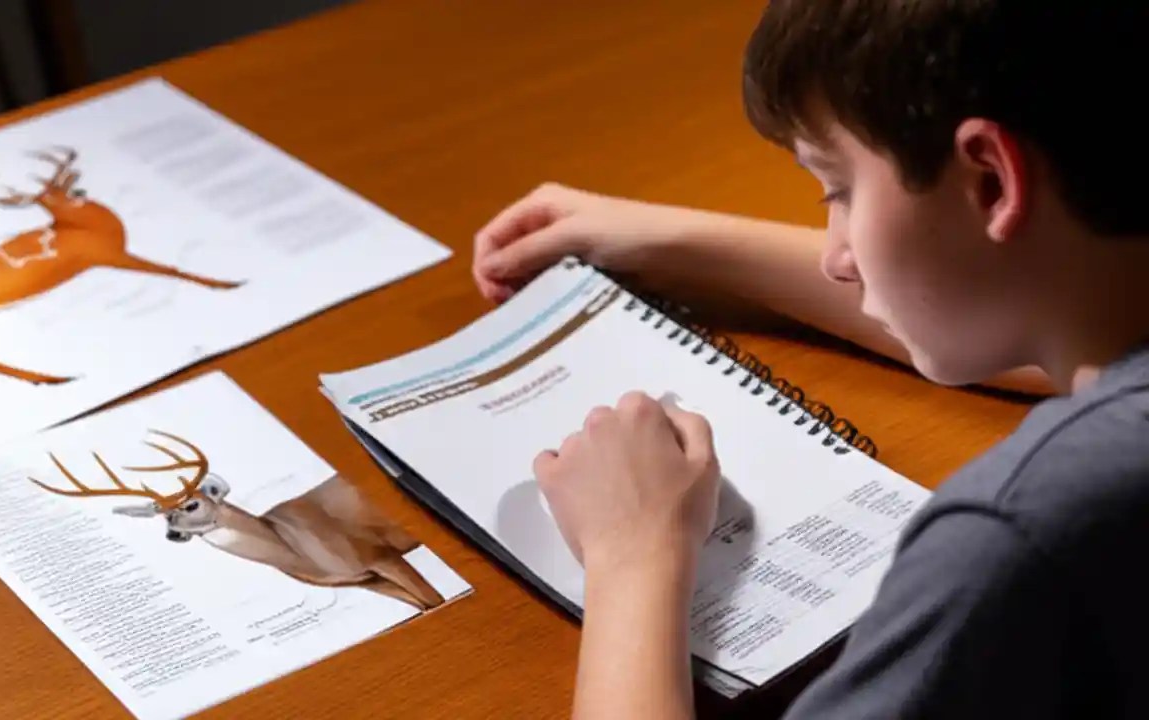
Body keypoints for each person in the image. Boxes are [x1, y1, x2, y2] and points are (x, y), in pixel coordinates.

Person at [472, 2, 1149, 718]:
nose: (833, 257)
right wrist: (678, 242)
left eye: (840, 189)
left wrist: (633, 558)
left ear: (990, 181)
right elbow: (1038, 297)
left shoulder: (1015, 538)